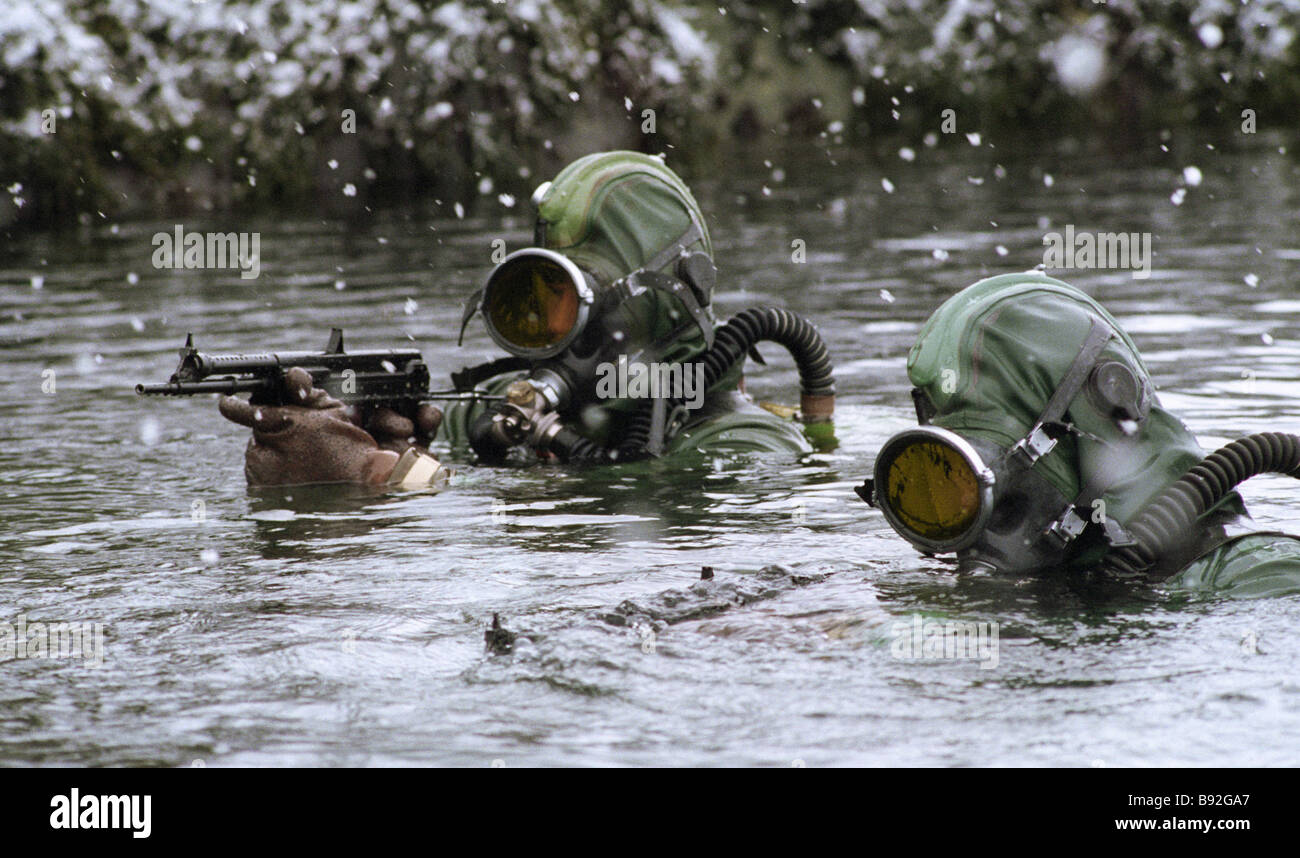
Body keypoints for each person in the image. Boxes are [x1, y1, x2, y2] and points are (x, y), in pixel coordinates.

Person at [219, 151, 836, 487]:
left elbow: (632, 508)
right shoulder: (507, 405)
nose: (552, 336)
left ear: (652, 306)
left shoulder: (743, 447)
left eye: (568, 303)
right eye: (531, 307)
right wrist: (350, 429)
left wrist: (374, 479)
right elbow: (449, 437)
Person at [857, 272, 1300, 598]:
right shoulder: (1076, 566)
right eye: (942, 493)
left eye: (999, 497)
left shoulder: (1261, 576)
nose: (981, 534)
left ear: (1094, 414)